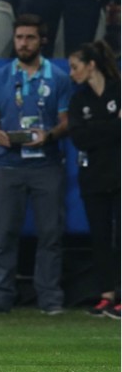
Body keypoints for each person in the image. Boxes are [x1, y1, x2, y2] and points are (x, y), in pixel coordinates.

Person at [0, 14, 71, 315]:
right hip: (8, 164)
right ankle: (0, 296)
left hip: (47, 164)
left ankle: (50, 298)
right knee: (3, 233)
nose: (23, 43)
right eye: (19, 37)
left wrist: (49, 135)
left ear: (41, 40)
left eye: (30, 37)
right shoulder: (0, 77)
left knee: (50, 234)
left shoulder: (58, 77)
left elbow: (66, 122)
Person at [67, 41, 121, 319]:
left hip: (120, 174)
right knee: (100, 238)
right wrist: (113, 125)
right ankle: (106, 296)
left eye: (75, 67)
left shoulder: (118, 90)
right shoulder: (79, 100)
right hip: (94, 177)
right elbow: (79, 137)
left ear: (91, 65)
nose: (71, 73)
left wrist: (97, 130)